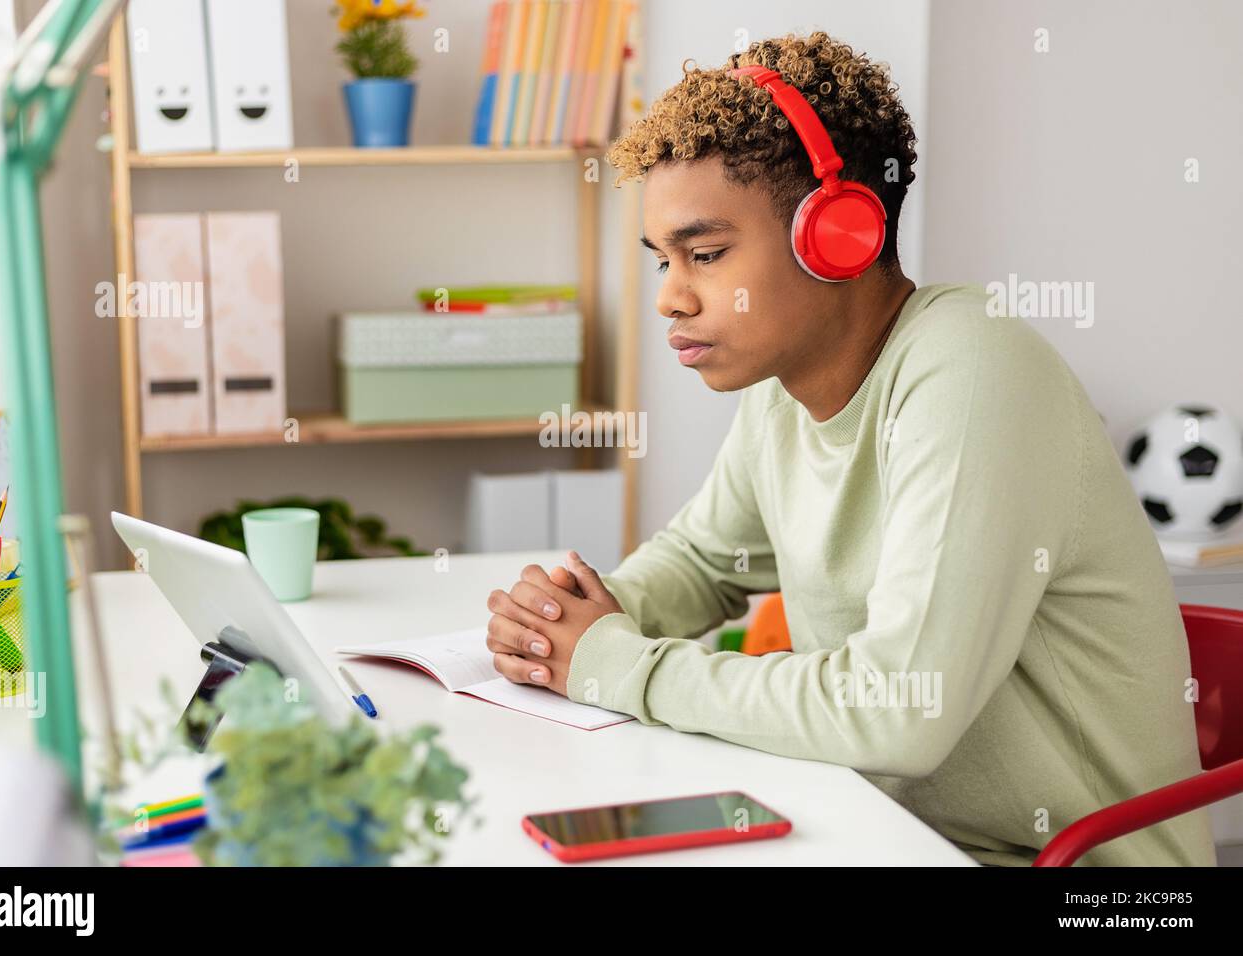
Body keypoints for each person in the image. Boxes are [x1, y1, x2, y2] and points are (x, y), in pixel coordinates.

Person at [483, 32, 1215, 866]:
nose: (672, 298)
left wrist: (618, 665)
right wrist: (561, 625)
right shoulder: (782, 392)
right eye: (663, 263)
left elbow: (898, 707)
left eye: (707, 255)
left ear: (838, 236)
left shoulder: (976, 372)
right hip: (883, 836)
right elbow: (703, 564)